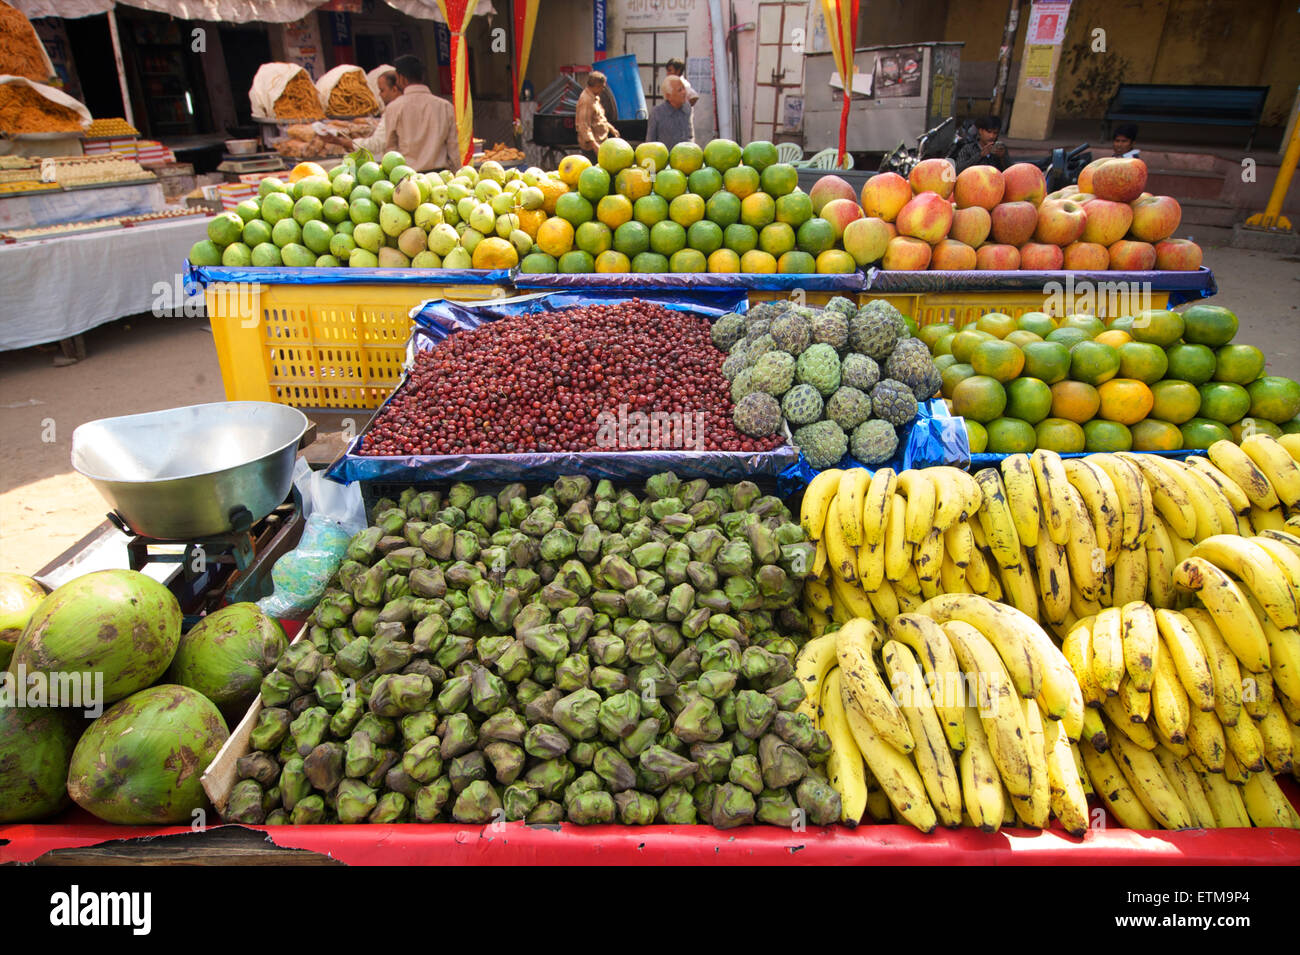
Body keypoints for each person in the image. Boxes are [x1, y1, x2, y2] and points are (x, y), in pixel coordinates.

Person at [381, 55, 460, 171]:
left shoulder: (394, 108)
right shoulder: (445, 106)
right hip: (440, 179)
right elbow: (454, 149)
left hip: (407, 180)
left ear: (402, 78)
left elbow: (390, 150)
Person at [351, 70, 400, 154]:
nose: (380, 95)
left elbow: (376, 144)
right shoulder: (423, 103)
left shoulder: (392, 110)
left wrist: (345, 142)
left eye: (382, 90)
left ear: (394, 90)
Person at [575, 71, 618, 164]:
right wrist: (594, 146)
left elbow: (599, 117)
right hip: (592, 147)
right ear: (596, 86)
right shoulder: (586, 100)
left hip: (601, 142)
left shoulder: (595, 97)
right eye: (602, 87)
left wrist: (611, 128)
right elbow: (584, 126)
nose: (603, 89)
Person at [647, 75, 693, 150]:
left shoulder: (687, 108)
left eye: (683, 88)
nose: (684, 92)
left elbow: (690, 135)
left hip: (685, 157)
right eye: (679, 90)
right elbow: (650, 142)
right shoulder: (657, 113)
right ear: (668, 96)